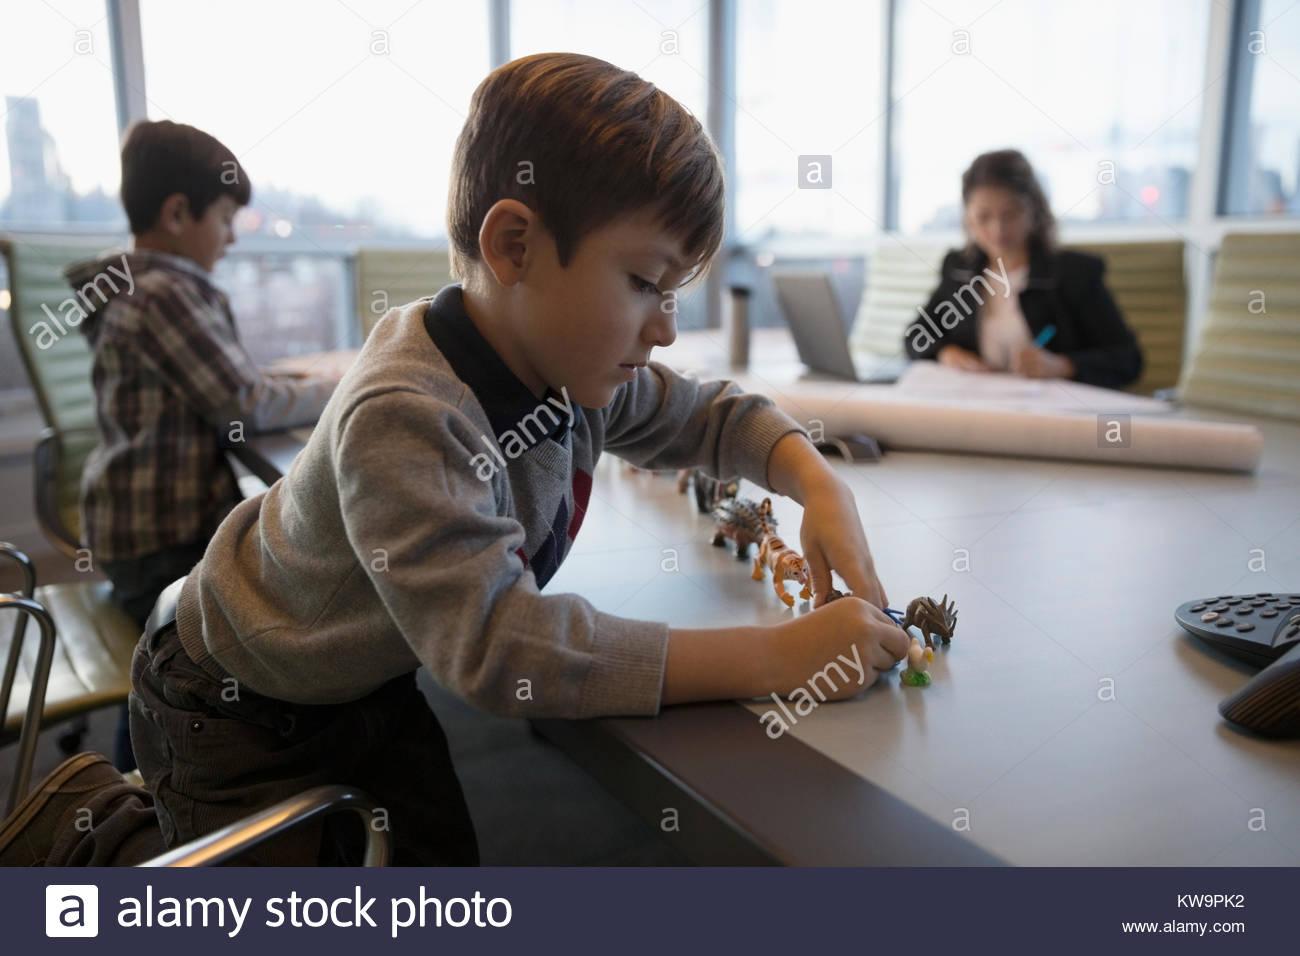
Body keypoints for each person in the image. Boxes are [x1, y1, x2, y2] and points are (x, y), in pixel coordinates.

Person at [2, 53, 907, 866]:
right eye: (644, 283)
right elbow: (502, 650)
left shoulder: (569, 366)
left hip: (363, 675)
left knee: (433, 864)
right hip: (234, 706)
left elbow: (711, 414)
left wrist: (811, 477)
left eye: (674, 293)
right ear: (513, 246)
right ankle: (94, 845)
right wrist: (777, 658)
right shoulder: (408, 413)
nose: (666, 326)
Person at [64, 120, 339, 771]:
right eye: (224, 217)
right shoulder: (163, 292)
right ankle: (150, 776)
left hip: (135, 531)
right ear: (178, 212)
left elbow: (234, 387)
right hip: (164, 543)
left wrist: (293, 382)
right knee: (215, 633)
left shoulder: (137, 287)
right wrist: (341, 385)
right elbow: (242, 401)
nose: (232, 235)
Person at [904, 149, 1143, 390]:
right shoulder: (959, 270)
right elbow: (916, 335)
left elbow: (1128, 359)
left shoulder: (1073, 274)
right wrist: (946, 352)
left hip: (1051, 414)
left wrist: (1061, 365)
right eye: (983, 217)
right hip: (978, 406)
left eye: (1010, 214)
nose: (998, 230)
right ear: (968, 217)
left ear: (1034, 211)